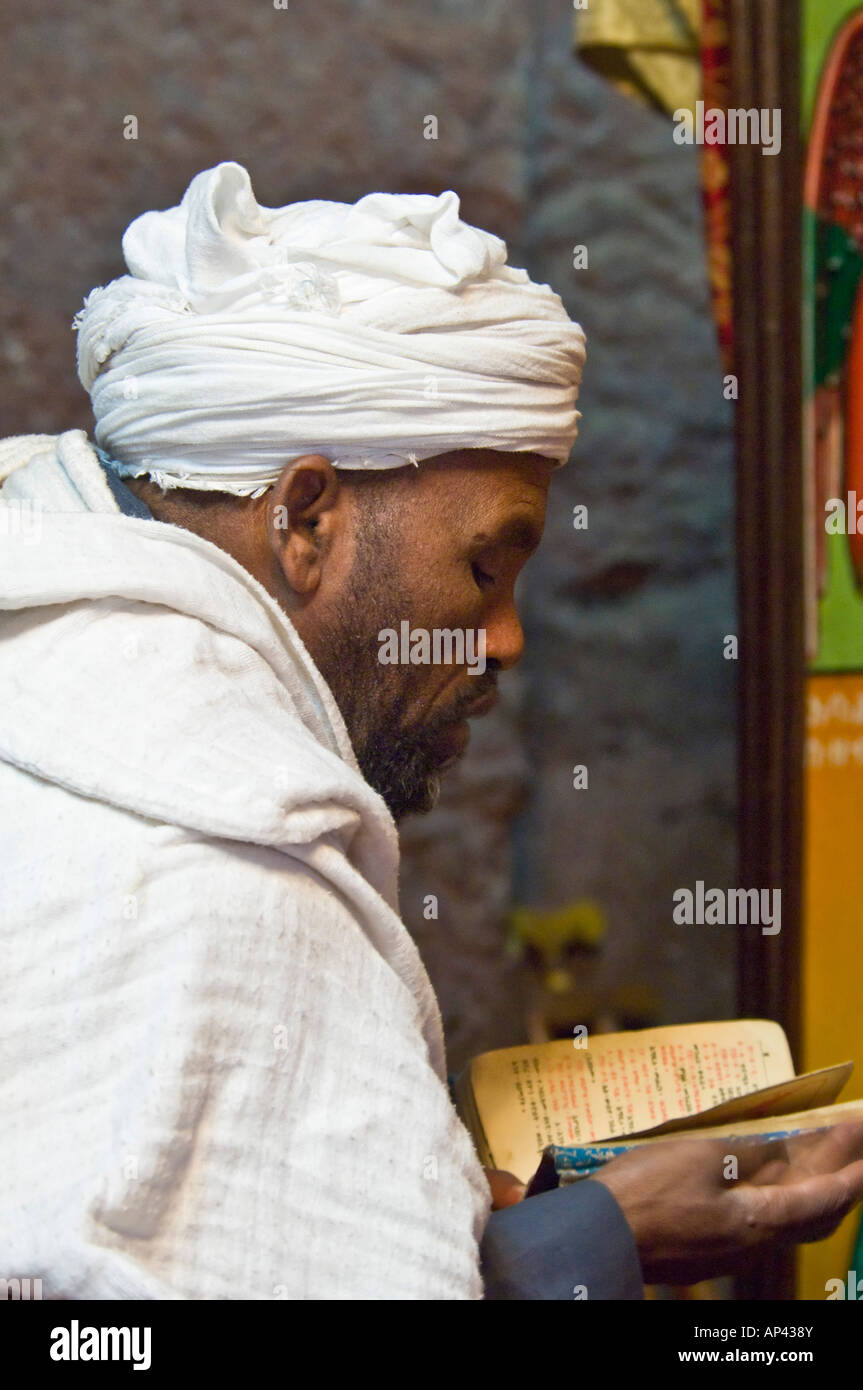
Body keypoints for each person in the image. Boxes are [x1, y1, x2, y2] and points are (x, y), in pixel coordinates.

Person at [1, 163, 862, 1300]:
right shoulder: (227, 886)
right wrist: (589, 1247)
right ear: (304, 518)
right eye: (484, 566)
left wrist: (450, 1227)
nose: (502, 637)